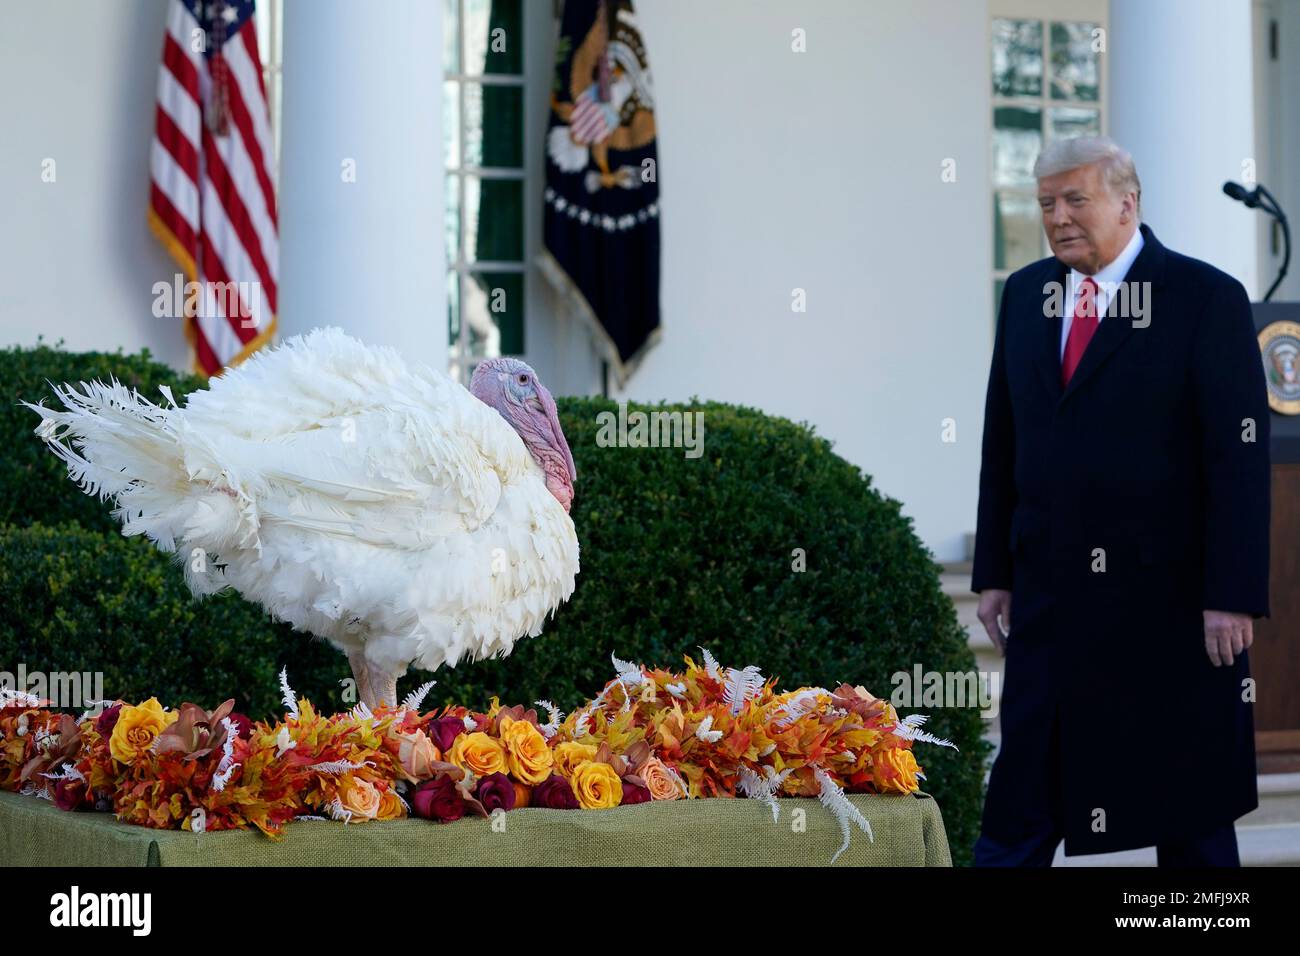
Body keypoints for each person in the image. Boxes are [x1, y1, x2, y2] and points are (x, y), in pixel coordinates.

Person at [971, 135, 1270, 866]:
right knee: (1018, 810)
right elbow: (1000, 442)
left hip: (1171, 611)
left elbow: (1237, 459)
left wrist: (1230, 593)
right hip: (1049, 601)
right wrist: (995, 572)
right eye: (1047, 203)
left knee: (1191, 814)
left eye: (1077, 199)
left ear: (1128, 203)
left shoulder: (1206, 300)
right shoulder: (1025, 294)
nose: (1059, 216)